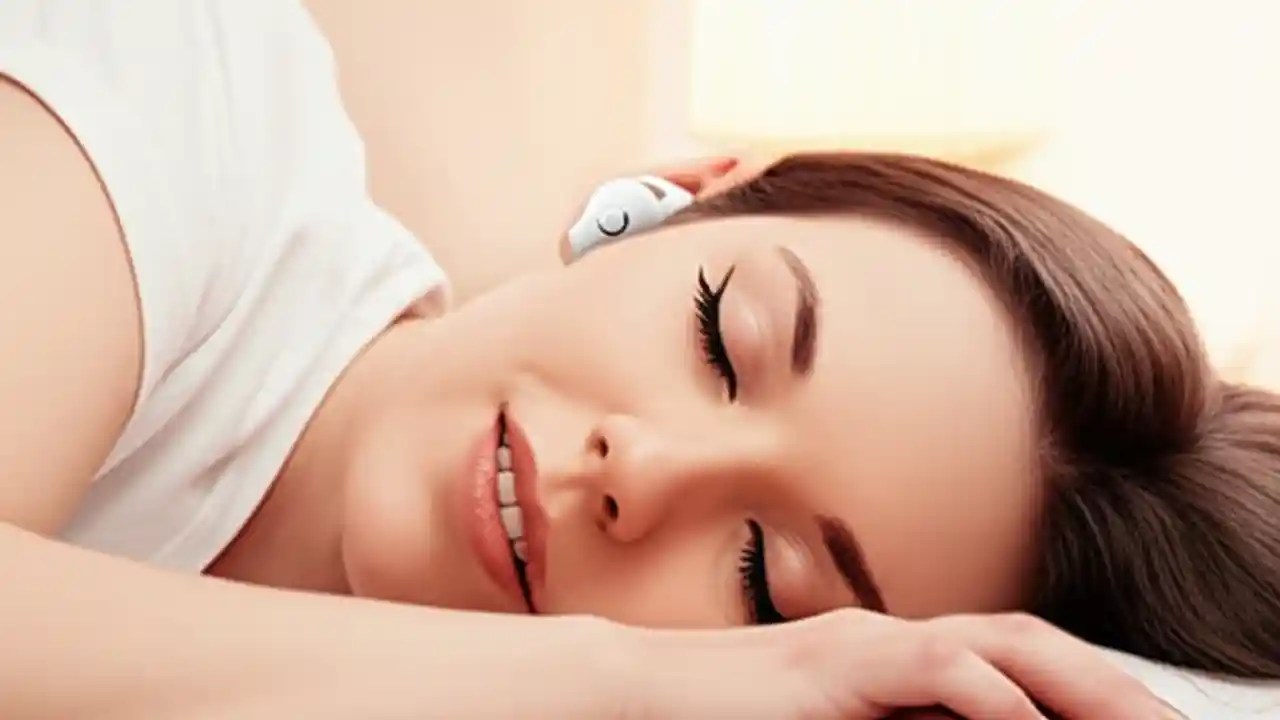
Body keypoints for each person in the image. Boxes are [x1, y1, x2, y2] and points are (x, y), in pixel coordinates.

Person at [0, 1, 1274, 718]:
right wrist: (616, 677)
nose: (640, 470)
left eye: (764, 581)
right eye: (720, 335)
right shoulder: (192, 101)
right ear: (672, 196)